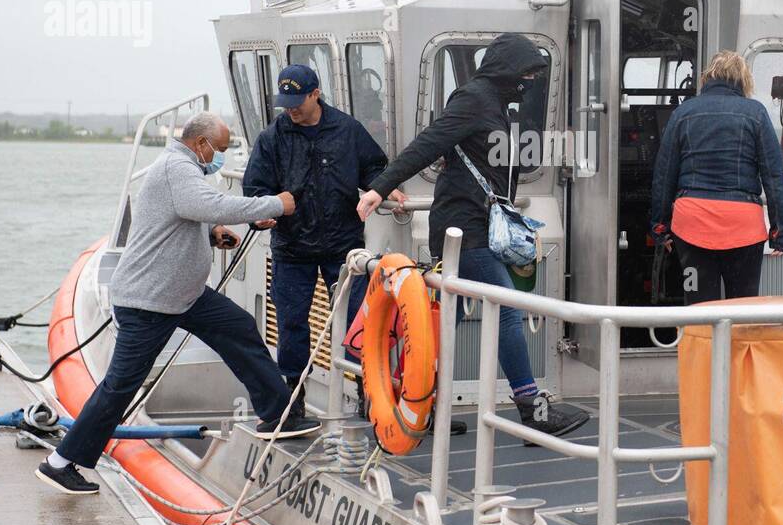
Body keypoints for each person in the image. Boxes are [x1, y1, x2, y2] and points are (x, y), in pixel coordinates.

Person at [37, 112, 312, 496]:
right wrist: (274, 204)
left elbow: (187, 217)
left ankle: (277, 414)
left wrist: (212, 236)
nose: (220, 156)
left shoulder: (181, 170)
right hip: (150, 302)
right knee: (120, 388)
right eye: (218, 149)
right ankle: (60, 462)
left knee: (240, 329)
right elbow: (214, 205)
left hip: (182, 296)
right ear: (200, 145)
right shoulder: (176, 169)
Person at [357, 33, 589, 438]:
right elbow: (426, 146)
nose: (531, 80)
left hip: (471, 226)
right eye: (527, 72)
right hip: (465, 231)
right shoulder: (475, 100)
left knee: (448, 319)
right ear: (507, 69)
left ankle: (421, 405)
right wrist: (379, 187)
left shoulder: (493, 101)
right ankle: (532, 411)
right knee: (507, 312)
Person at [243, 64, 404, 421]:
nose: (291, 109)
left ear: (316, 94)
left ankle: (368, 390)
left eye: (297, 101)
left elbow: (374, 168)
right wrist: (260, 213)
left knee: (359, 322)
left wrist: (384, 186)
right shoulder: (272, 138)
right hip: (291, 249)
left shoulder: (348, 130)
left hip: (343, 249)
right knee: (292, 325)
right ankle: (292, 397)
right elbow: (255, 188)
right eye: (285, 103)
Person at [650, 50, 783, 305]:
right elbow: (774, 177)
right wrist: (779, 232)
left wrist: (660, 227)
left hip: (692, 223)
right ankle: (739, 345)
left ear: (708, 77)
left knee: (698, 308)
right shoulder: (756, 113)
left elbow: (664, 174)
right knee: (743, 309)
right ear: (742, 80)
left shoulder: (683, 113)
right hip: (743, 225)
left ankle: (702, 345)